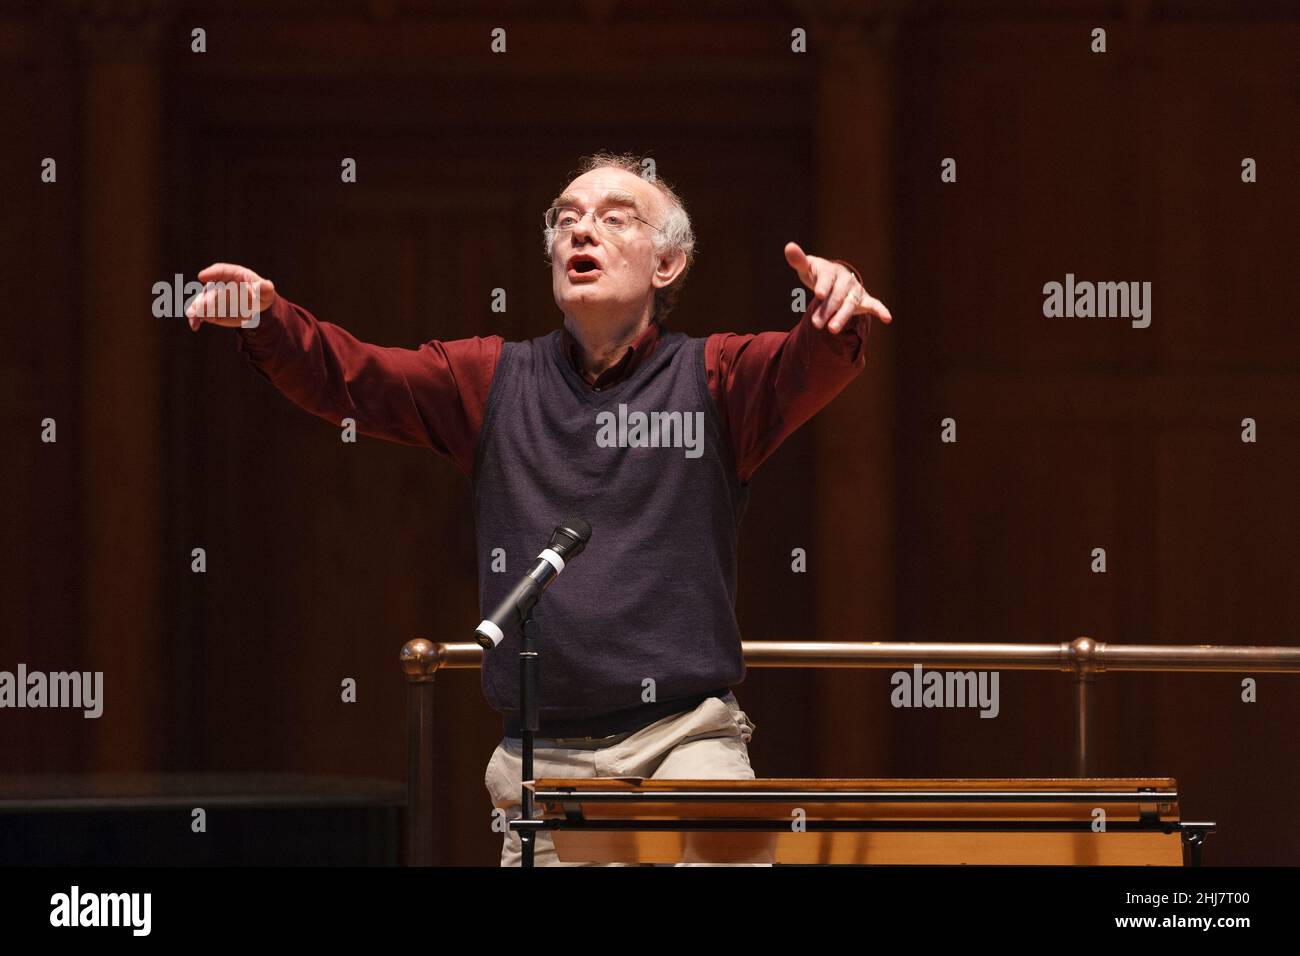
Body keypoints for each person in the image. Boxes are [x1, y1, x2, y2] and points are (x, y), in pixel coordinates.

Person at [186, 150, 892, 865]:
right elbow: (354, 377)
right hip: (545, 762)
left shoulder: (715, 377)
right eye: (566, 220)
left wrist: (835, 308)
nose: (582, 232)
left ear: (667, 264)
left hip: (688, 738)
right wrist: (269, 320)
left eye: (615, 219)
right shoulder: (490, 379)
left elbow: (809, 362)